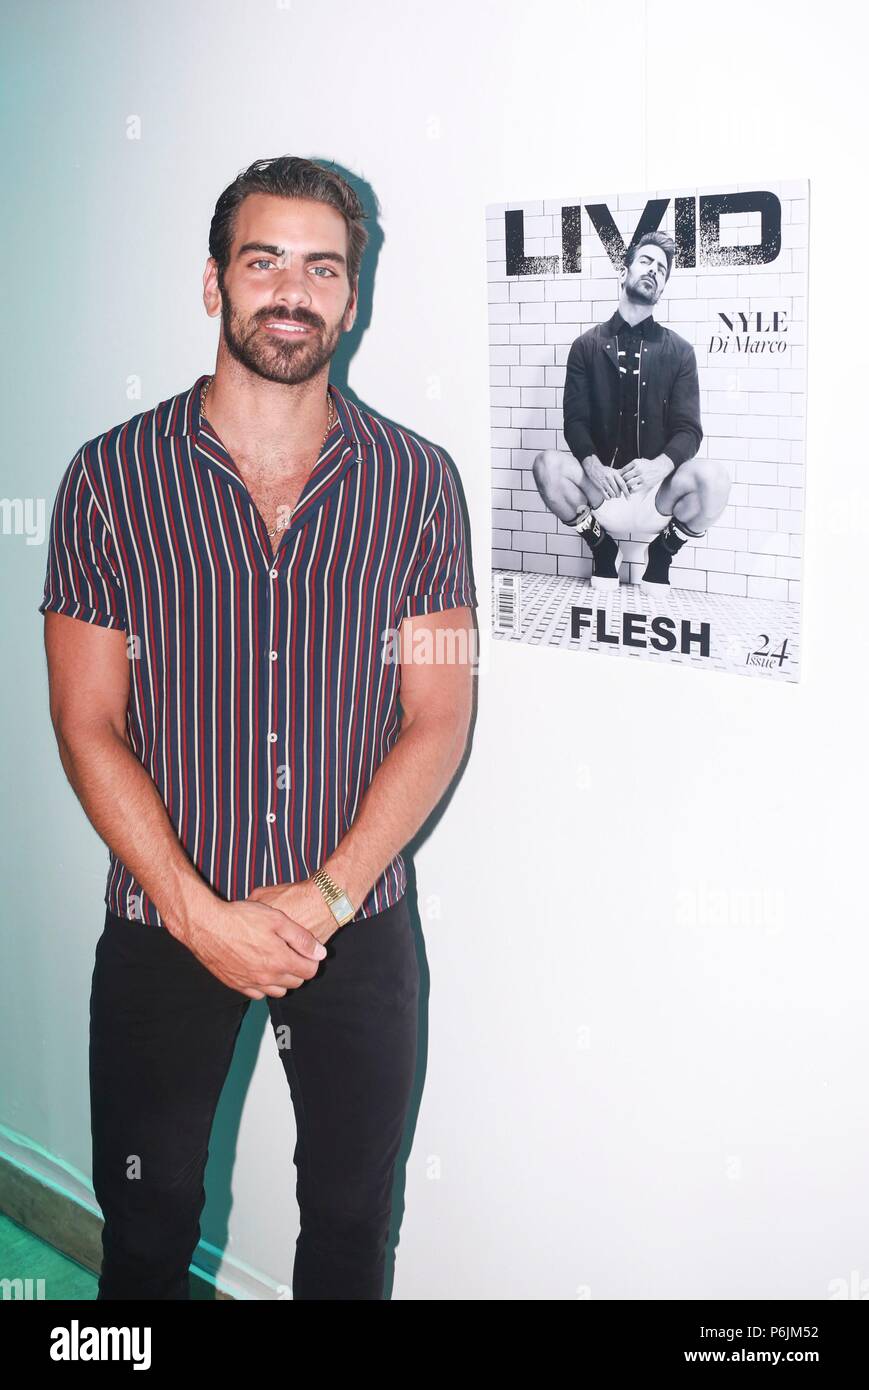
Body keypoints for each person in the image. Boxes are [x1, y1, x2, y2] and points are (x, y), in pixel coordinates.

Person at [37, 155, 477, 1300]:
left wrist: (326, 894)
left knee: (347, 1225)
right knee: (143, 1226)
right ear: (213, 282)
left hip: (357, 919)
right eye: (264, 259)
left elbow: (437, 713)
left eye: (321, 266)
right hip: (164, 919)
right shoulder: (110, 480)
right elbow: (87, 723)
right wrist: (198, 915)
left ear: (352, 293)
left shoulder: (419, 484)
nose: (292, 288)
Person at [532, 230, 730, 592]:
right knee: (546, 465)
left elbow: (690, 430)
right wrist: (592, 465)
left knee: (715, 480)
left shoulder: (680, 352)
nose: (653, 270)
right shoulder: (585, 346)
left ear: (663, 288)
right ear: (623, 273)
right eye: (645, 261)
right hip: (603, 493)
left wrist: (660, 467)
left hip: (658, 495)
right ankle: (602, 548)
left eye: (662, 269)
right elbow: (574, 421)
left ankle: (663, 553)